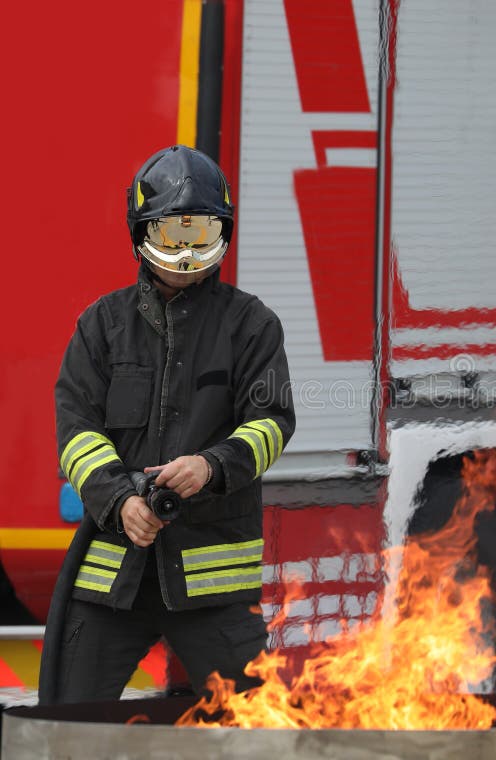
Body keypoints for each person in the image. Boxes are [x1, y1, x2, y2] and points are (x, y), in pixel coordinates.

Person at [47, 144, 295, 703]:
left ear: (223, 232)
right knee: (65, 724)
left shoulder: (251, 325)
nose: (187, 250)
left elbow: (273, 421)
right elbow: (76, 430)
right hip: (114, 579)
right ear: (141, 233)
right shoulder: (101, 326)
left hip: (212, 588)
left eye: (200, 233)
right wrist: (119, 501)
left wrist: (210, 466)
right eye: (172, 233)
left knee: (255, 729)